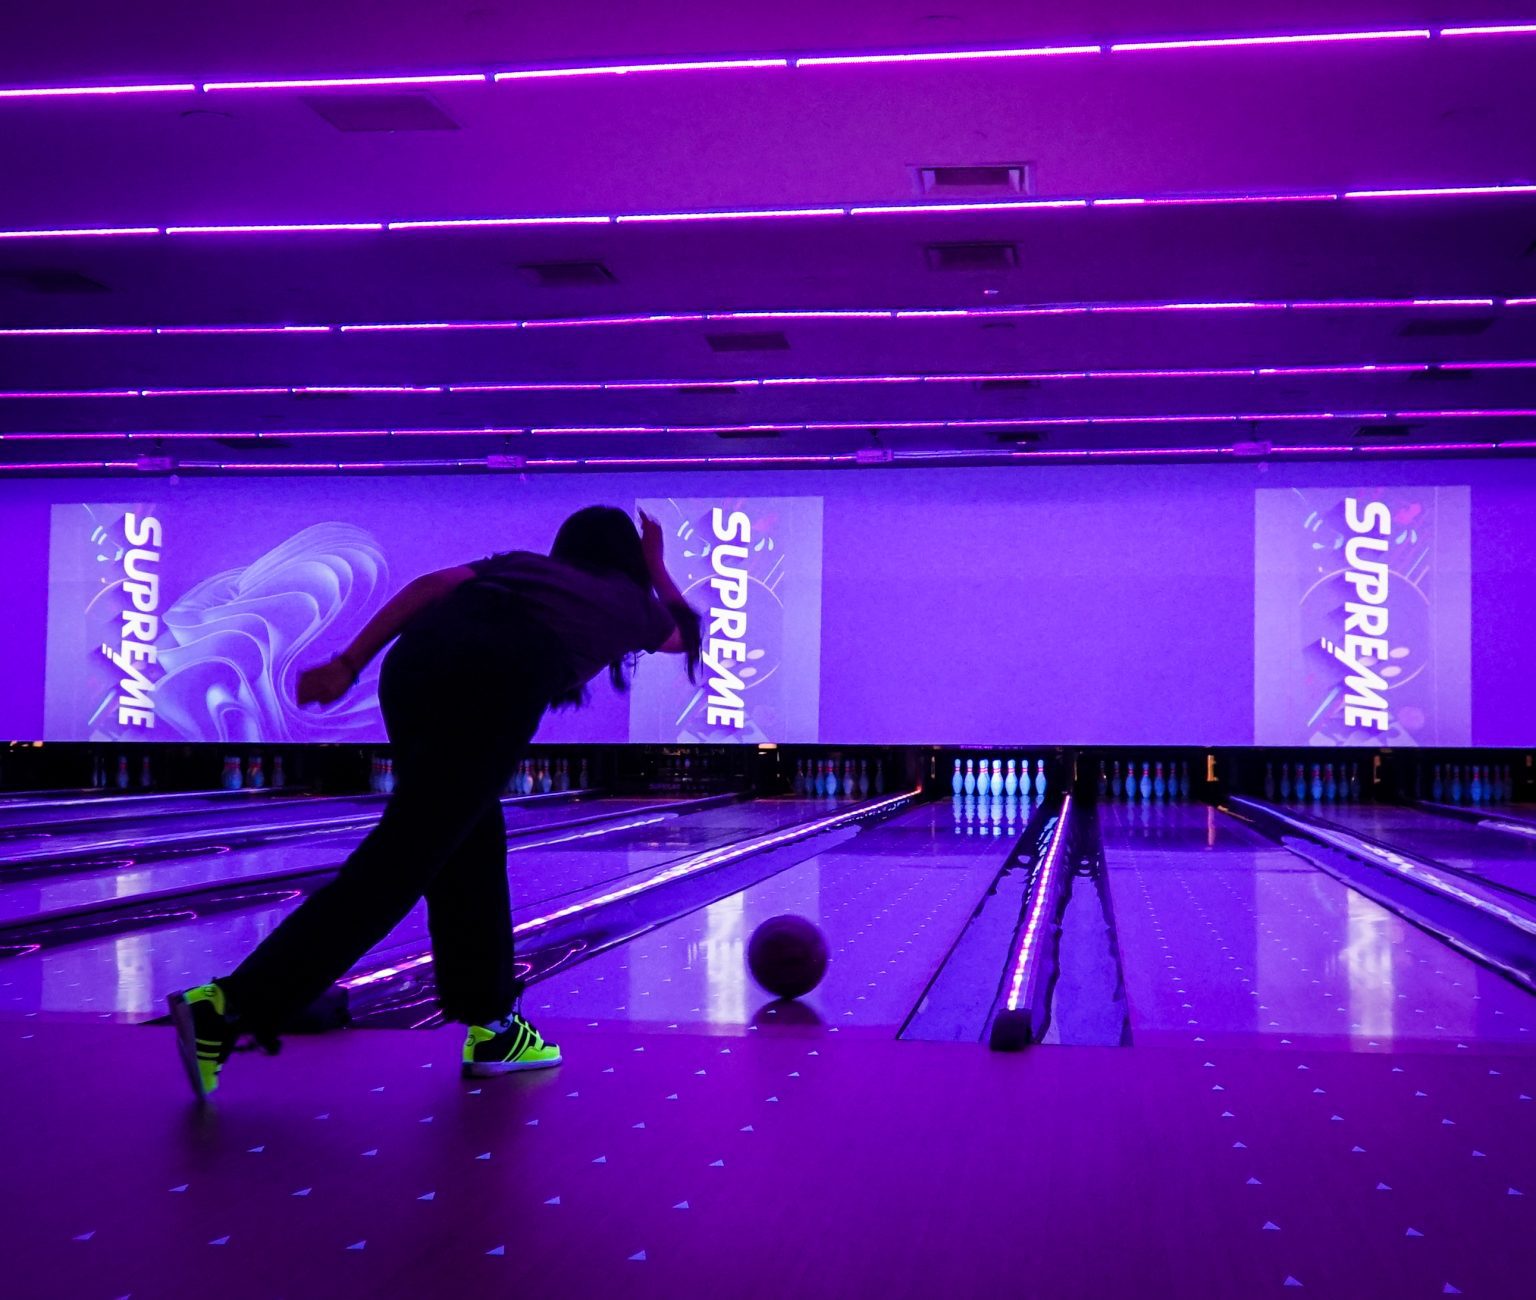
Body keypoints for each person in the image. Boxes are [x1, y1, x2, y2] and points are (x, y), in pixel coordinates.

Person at [169, 506, 701, 1102]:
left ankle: (494, 1025)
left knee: (468, 846)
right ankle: (228, 1007)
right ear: (626, 558)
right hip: (494, 680)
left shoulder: (525, 568)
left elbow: (430, 586)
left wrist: (348, 663)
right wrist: (655, 564)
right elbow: (685, 634)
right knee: (404, 861)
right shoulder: (627, 601)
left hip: (414, 665)